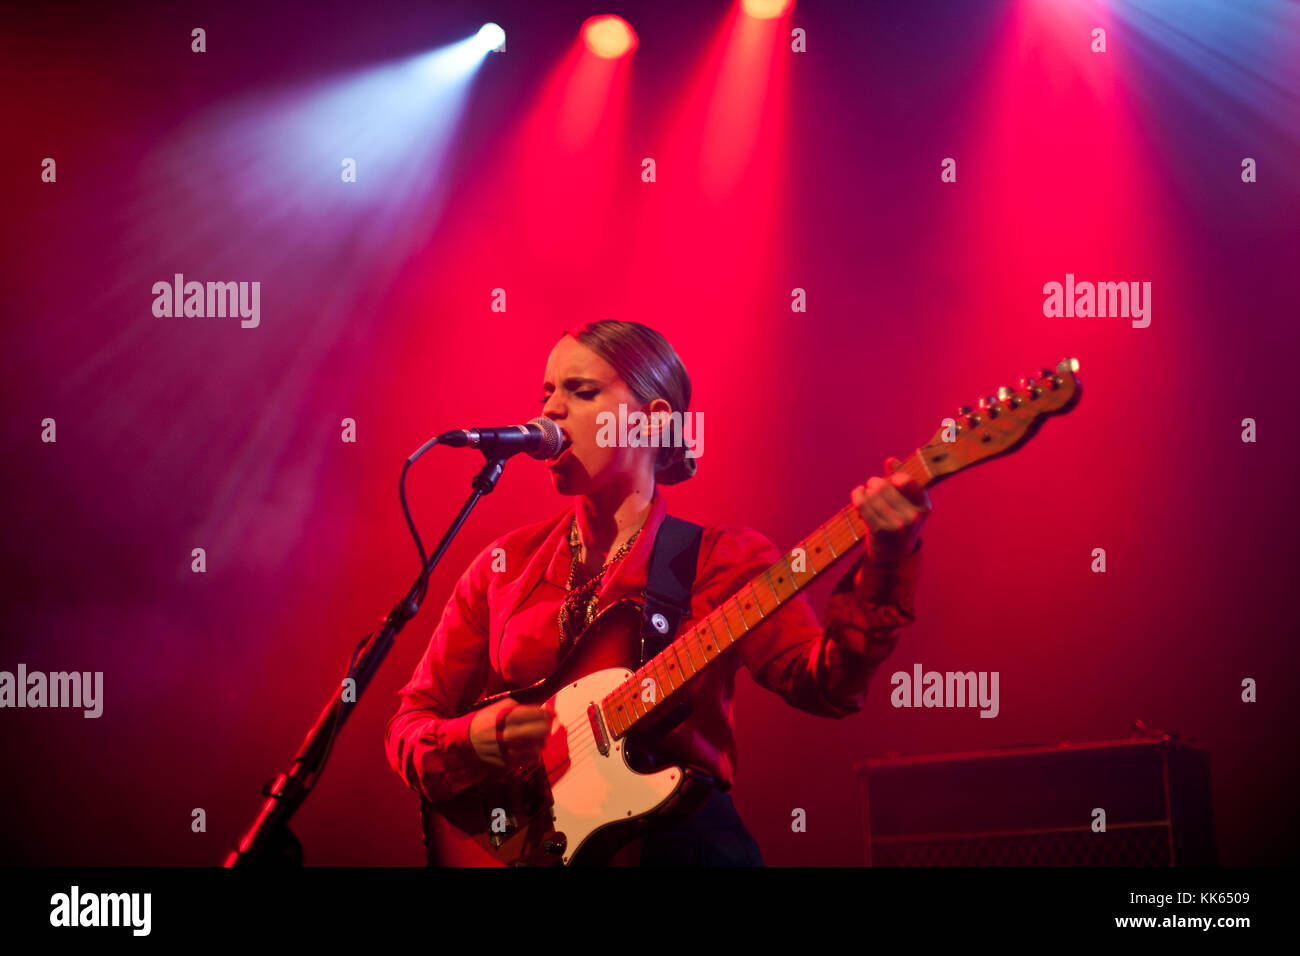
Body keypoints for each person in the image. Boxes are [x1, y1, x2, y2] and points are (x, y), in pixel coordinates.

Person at [385, 319, 930, 865]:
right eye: (547, 391)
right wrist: (472, 739)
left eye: (581, 391)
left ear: (650, 422)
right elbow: (411, 722)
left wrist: (886, 562)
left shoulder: (725, 559)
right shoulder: (502, 569)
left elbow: (829, 687)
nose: (549, 409)